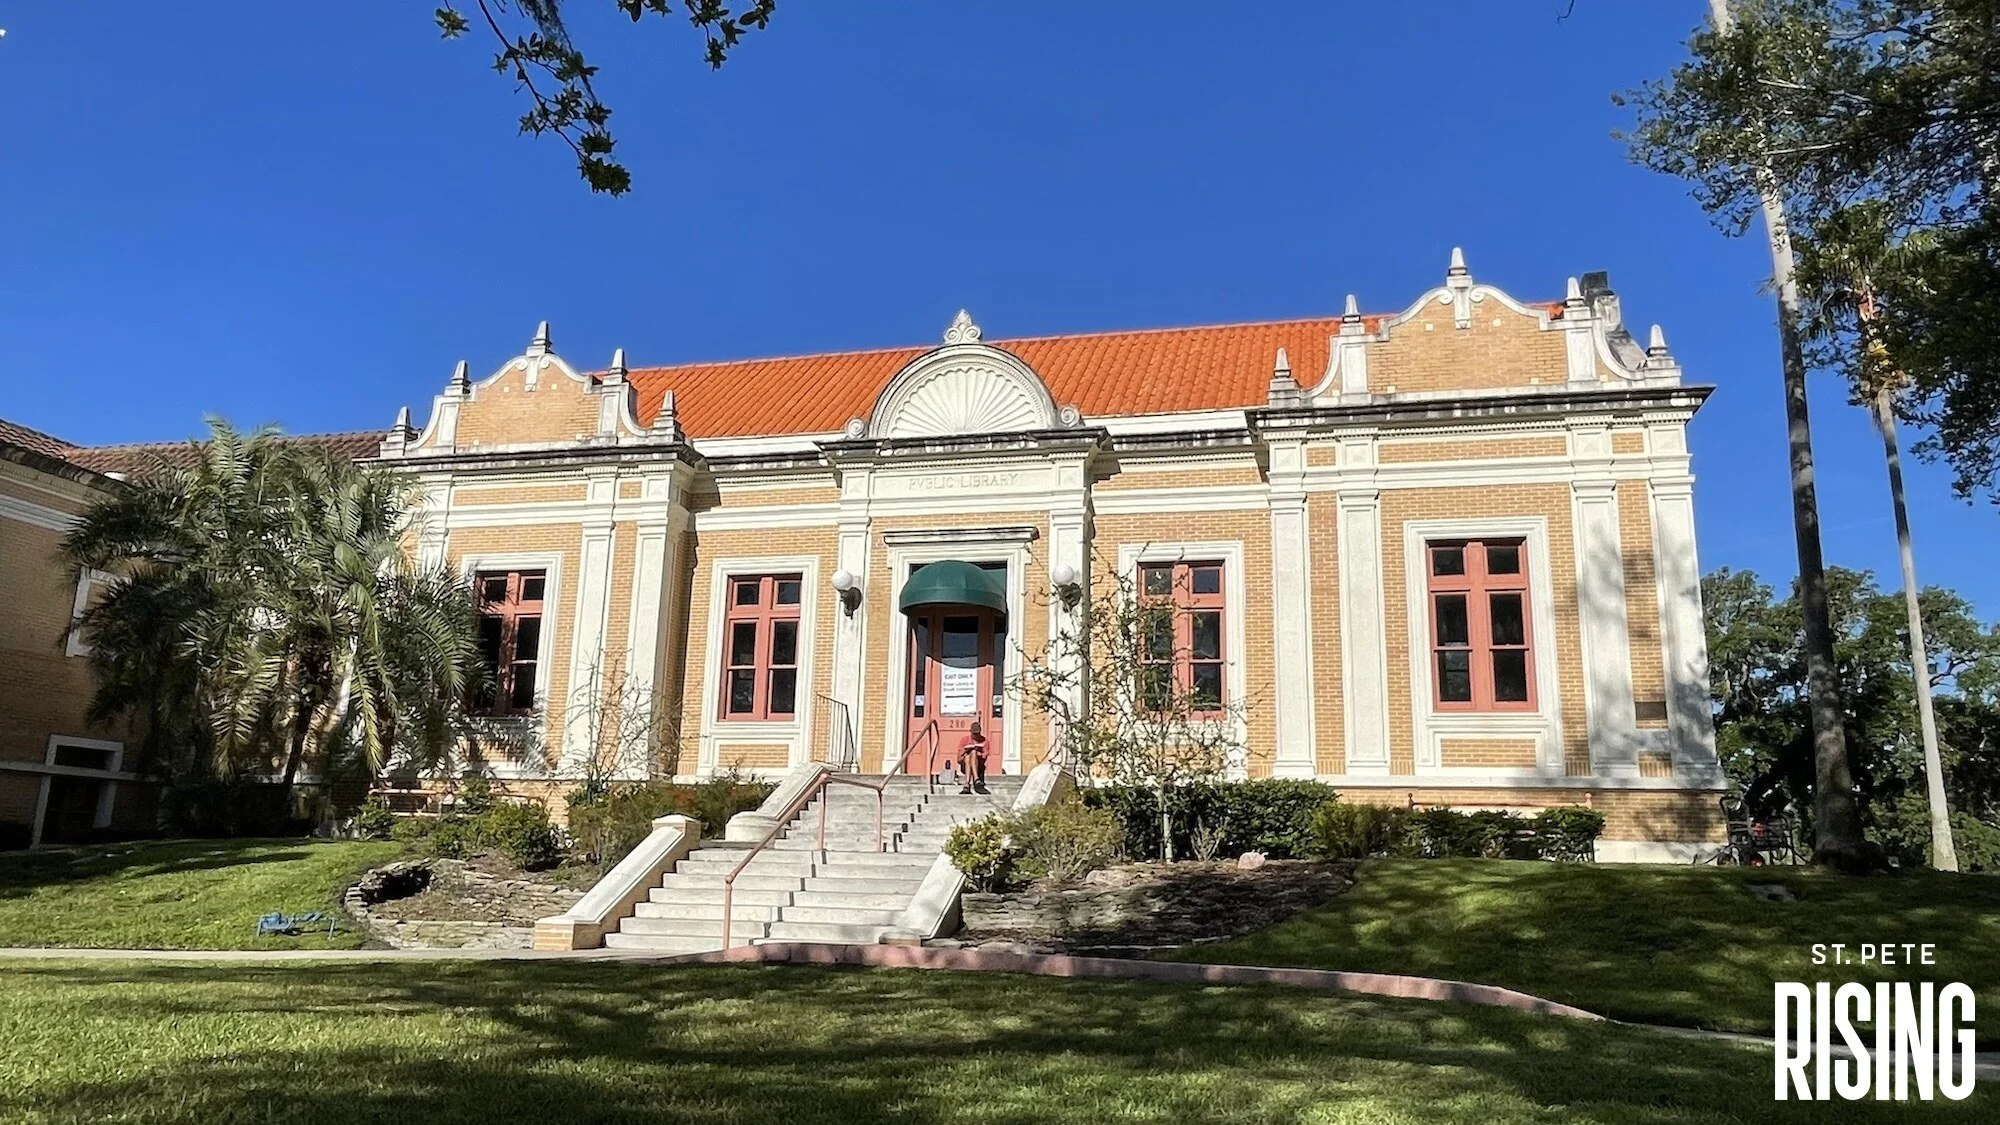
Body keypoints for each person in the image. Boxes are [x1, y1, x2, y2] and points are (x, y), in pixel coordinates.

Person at [956, 720, 990, 795]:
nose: (976, 736)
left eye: (978, 734)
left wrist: (978, 753)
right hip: (965, 765)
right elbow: (958, 759)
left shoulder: (984, 741)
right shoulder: (964, 740)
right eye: (974, 734)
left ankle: (967, 783)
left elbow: (984, 756)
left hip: (979, 765)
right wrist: (965, 750)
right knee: (968, 755)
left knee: (973, 753)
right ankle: (976, 779)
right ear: (971, 732)